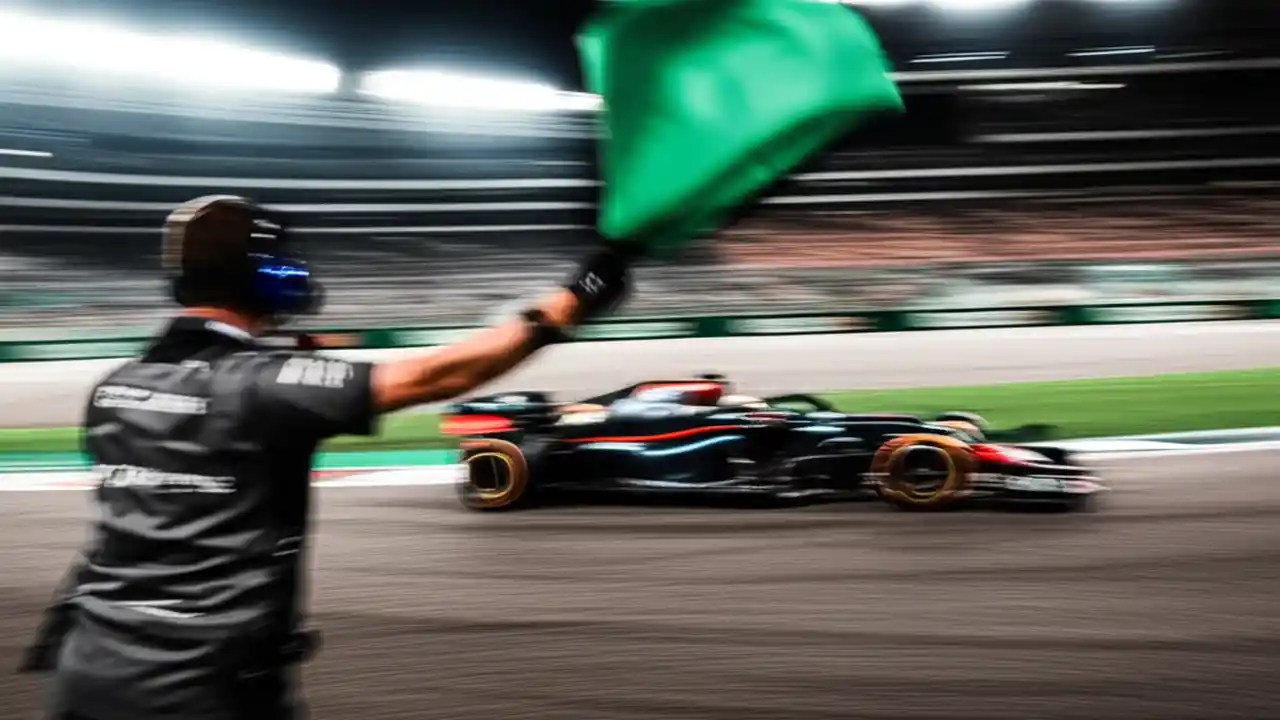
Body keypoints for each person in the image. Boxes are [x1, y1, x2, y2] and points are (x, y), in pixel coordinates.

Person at [18, 195, 635, 720]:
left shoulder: (113, 387)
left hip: (87, 672)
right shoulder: (265, 382)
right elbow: (434, 376)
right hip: (203, 687)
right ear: (254, 274)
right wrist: (569, 304)